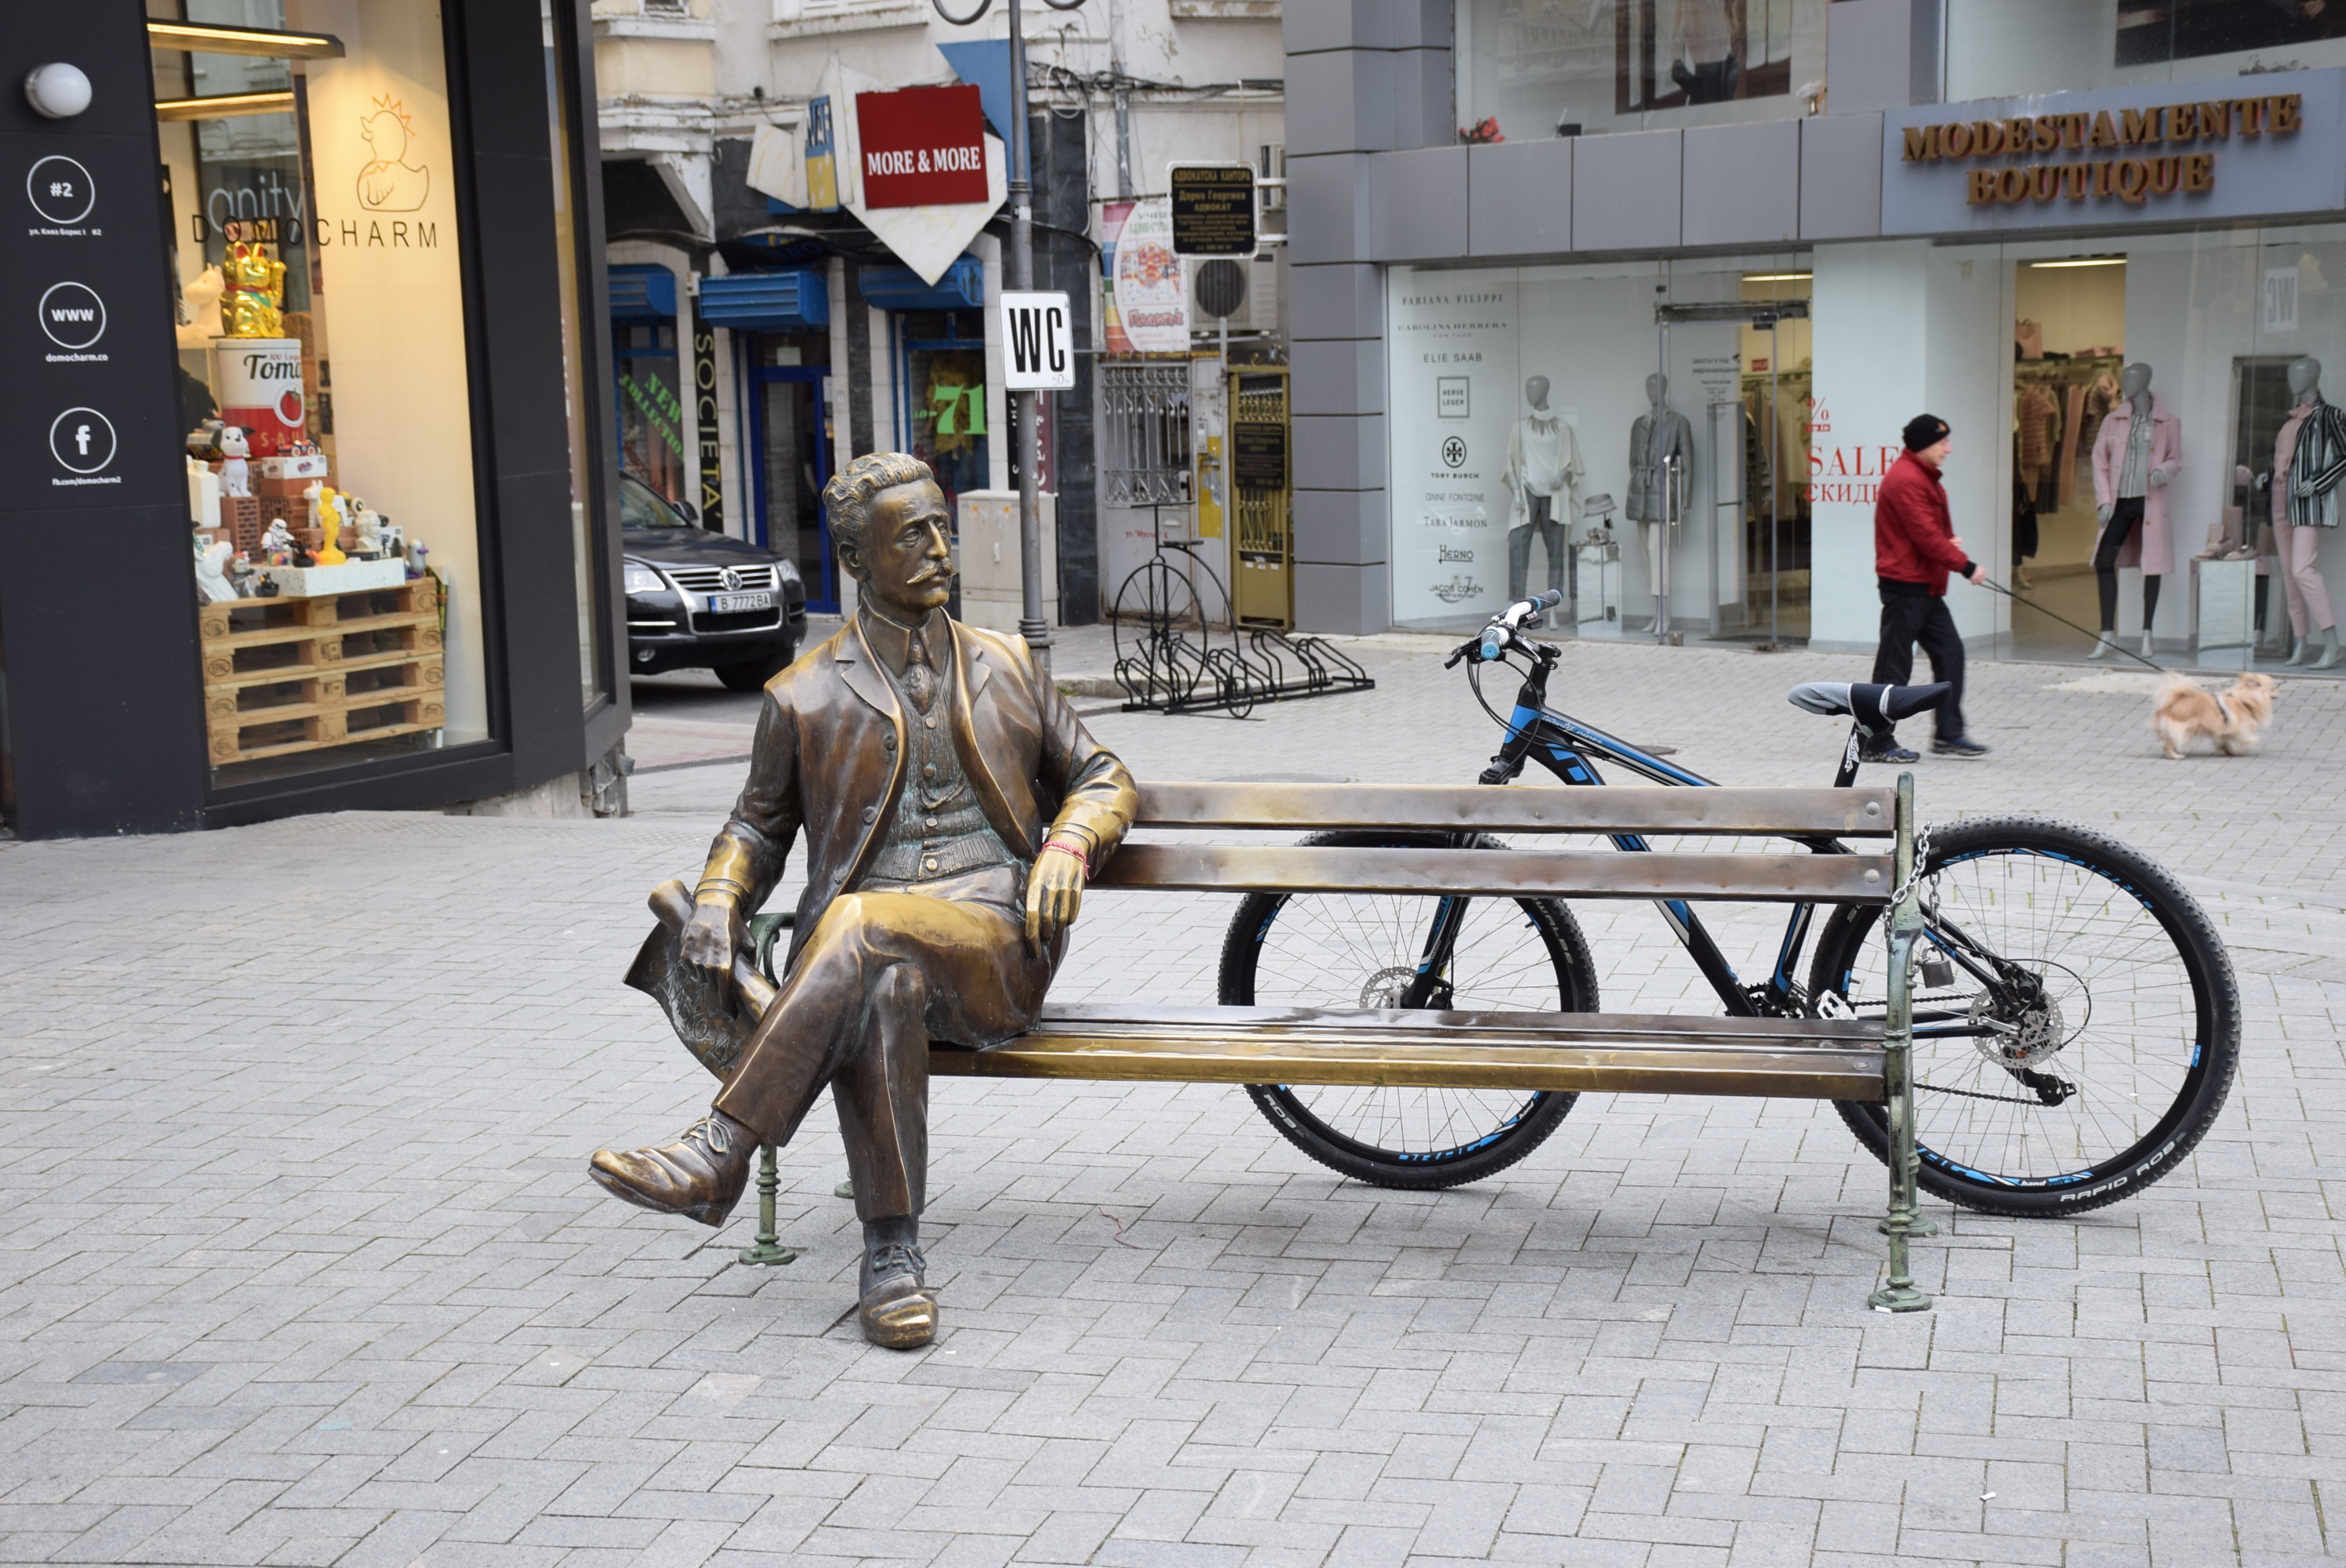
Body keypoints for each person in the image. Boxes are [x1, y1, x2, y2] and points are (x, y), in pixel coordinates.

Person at [587, 452, 1138, 1348]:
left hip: (998, 946)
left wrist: (1070, 841)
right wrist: (722, 899)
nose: (938, 546)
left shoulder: (1007, 663)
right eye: (911, 533)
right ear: (857, 556)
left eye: (940, 526)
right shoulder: (800, 696)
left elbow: (1103, 773)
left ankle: (720, 1152)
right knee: (882, 980)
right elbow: (757, 826)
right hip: (876, 969)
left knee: (857, 923)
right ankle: (891, 1259)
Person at [1868, 415, 1990, 761]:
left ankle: (1949, 734)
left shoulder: (1921, 476)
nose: (1948, 449)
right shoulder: (1907, 479)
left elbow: (1925, 532)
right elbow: (1925, 537)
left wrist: (1946, 542)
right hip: (1906, 587)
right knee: (1893, 668)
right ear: (1924, 445)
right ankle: (1875, 743)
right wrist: (1966, 566)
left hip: (1924, 586)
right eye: (1942, 443)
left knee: (1950, 653)